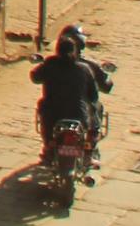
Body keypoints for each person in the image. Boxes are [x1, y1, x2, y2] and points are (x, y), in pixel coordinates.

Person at [30, 24, 112, 162]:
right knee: (96, 106)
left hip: (52, 117)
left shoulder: (50, 64)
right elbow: (94, 95)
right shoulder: (86, 67)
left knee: (42, 105)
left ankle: (49, 146)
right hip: (79, 115)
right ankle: (90, 148)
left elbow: (35, 77)